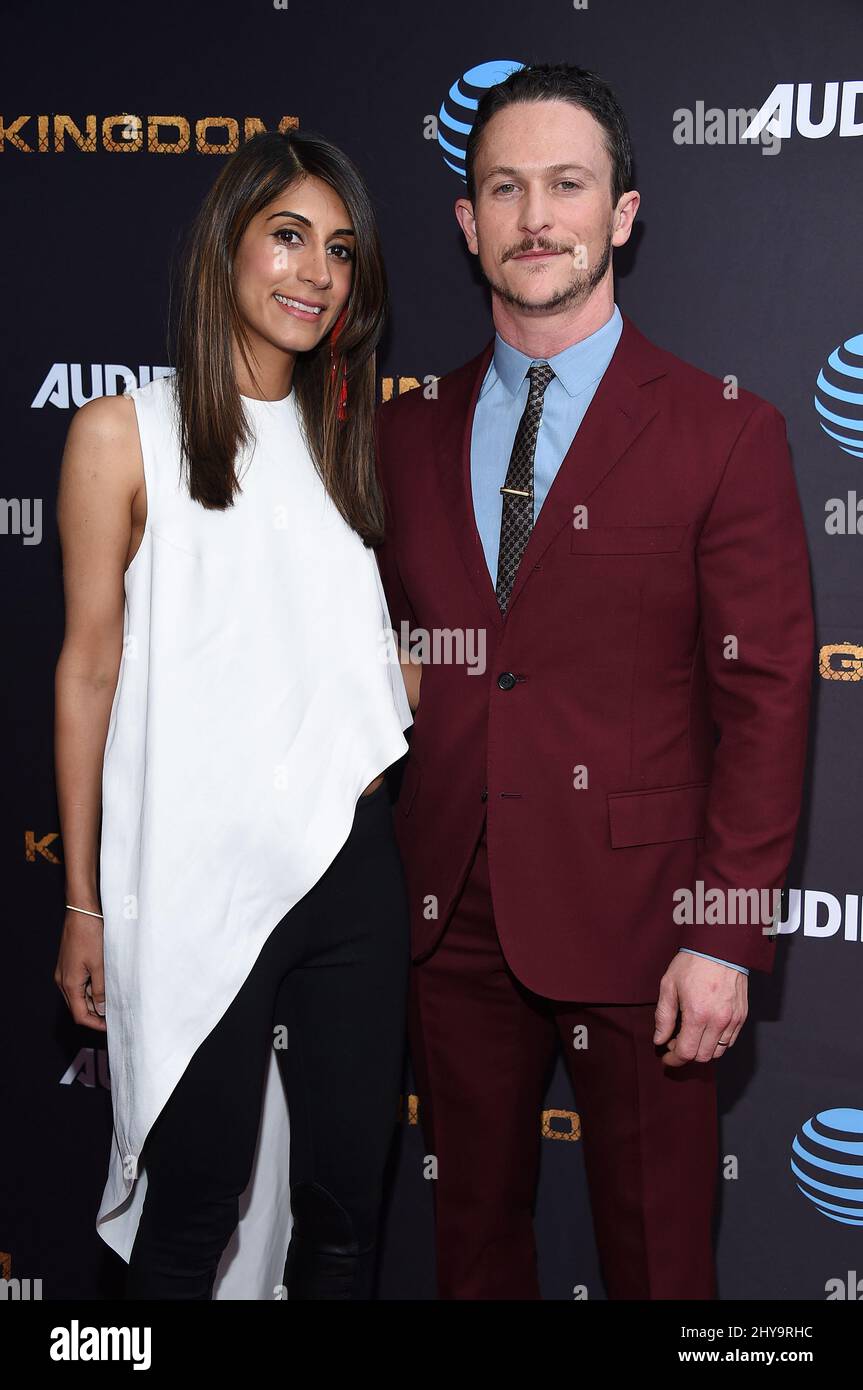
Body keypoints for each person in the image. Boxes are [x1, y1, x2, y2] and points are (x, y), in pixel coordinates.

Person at [374, 63, 814, 1298]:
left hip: (645, 927)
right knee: (471, 1255)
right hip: (447, 914)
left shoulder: (724, 429)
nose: (535, 218)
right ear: (466, 224)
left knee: (661, 1265)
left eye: (566, 185)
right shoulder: (400, 432)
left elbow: (769, 692)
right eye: (503, 188)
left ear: (621, 210)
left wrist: (722, 932)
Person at [53, 129, 420, 1300]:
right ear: (227, 247)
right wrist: (83, 900)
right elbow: (89, 673)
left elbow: (347, 649)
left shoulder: (347, 440)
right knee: (194, 1207)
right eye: (288, 235)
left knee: (342, 1214)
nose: (316, 271)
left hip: (349, 873)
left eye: (341, 249)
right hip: (200, 880)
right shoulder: (123, 434)